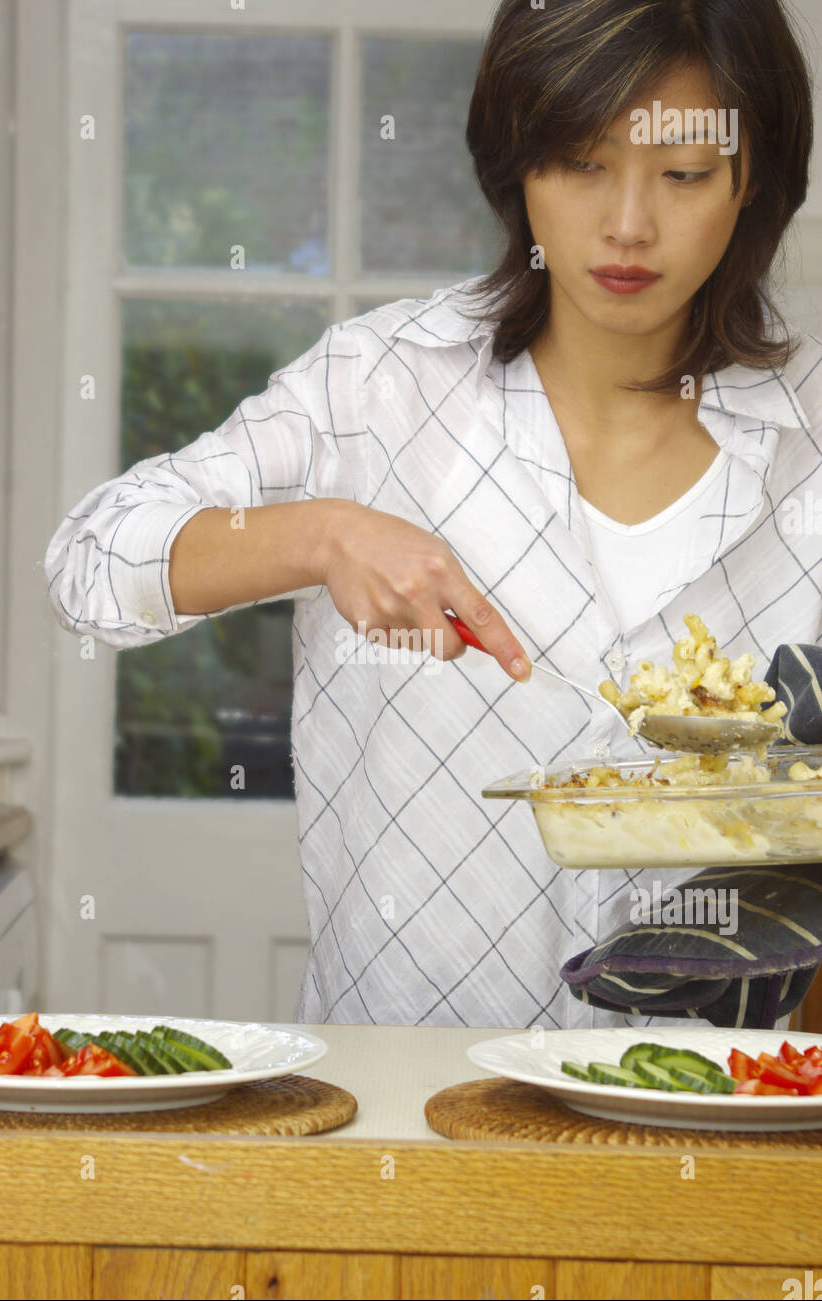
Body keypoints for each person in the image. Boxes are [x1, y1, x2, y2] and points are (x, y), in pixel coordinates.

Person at [44, 0, 820, 1029]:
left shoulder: (808, 437)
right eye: (582, 164)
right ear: (515, 164)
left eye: (682, 176)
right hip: (408, 1115)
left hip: (721, 1130)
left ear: (751, 178)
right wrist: (321, 534)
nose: (629, 223)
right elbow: (87, 564)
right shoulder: (377, 390)